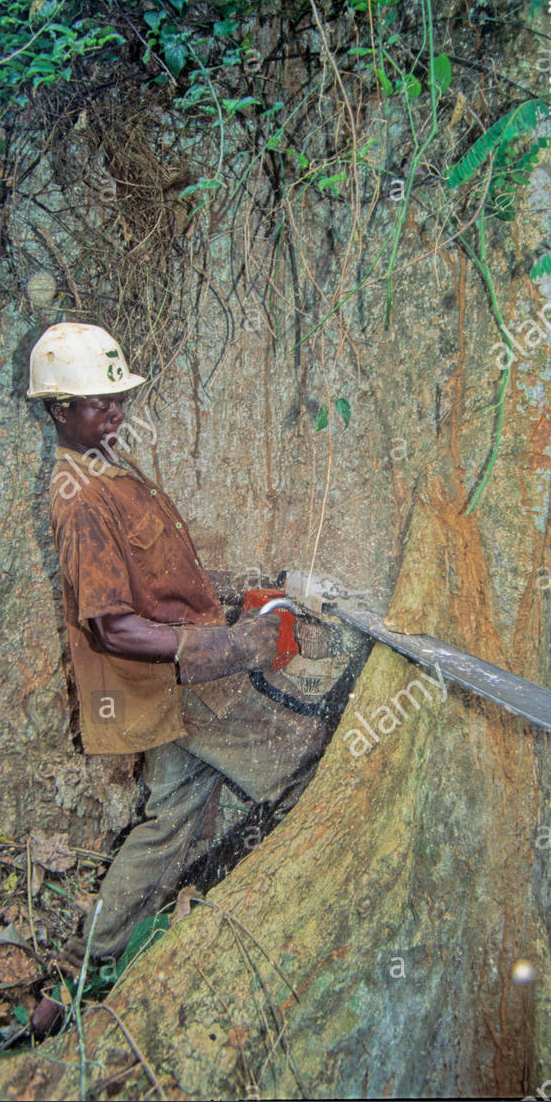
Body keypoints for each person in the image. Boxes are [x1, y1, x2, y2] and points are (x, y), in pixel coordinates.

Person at [27, 321, 328, 966]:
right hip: (184, 688)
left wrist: (258, 584)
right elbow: (110, 625)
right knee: (305, 765)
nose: (117, 410)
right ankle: (316, 911)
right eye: (99, 401)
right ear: (60, 410)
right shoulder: (78, 500)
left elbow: (163, 580)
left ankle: (92, 960)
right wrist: (229, 650)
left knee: (169, 820)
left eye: (119, 397)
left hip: (176, 687)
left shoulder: (109, 469)